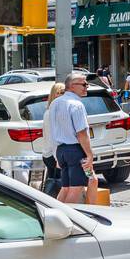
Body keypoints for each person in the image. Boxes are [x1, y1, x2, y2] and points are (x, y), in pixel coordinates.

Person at [44, 72, 96, 204]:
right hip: (75, 152)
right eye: (84, 84)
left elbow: (52, 132)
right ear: (72, 86)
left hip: (62, 152)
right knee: (75, 189)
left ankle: (92, 210)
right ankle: (67, 218)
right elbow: (81, 133)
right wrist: (90, 155)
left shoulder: (54, 104)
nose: (87, 86)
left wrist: (56, 155)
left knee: (72, 186)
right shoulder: (76, 105)